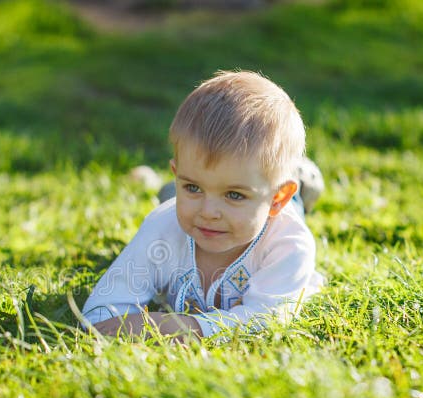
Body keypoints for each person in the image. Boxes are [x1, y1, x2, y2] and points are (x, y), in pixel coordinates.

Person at [80, 70, 323, 341]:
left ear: (277, 198)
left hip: (278, 216)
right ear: (177, 172)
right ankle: (176, 192)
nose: (208, 212)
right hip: (184, 206)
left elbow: (267, 317)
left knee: (293, 210)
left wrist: (187, 326)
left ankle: (302, 181)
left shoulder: (289, 245)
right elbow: (101, 312)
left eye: (234, 195)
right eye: (192, 186)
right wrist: (117, 324)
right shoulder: (162, 229)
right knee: (179, 205)